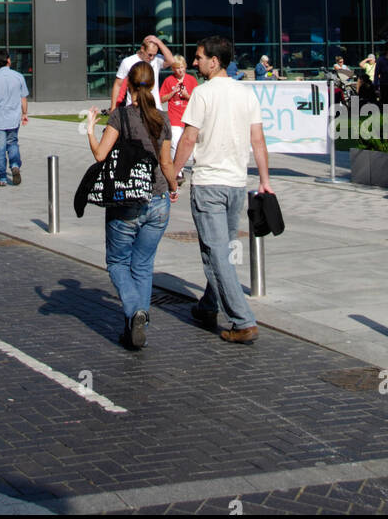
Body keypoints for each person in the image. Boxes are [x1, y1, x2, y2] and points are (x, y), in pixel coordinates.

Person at [174, 36, 274, 345]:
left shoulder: (202, 94)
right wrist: (264, 179)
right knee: (223, 250)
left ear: (214, 62)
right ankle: (208, 305)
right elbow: (258, 140)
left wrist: (172, 172)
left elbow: (189, 139)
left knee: (216, 255)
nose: (194, 62)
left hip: (208, 183)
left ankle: (242, 321)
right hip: (235, 185)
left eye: (199, 57)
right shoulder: (246, 94)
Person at [86, 61, 177, 350]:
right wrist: (174, 187)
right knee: (143, 265)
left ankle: (135, 310)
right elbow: (166, 163)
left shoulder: (120, 117)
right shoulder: (162, 119)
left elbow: (101, 155)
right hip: (158, 200)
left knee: (116, 262)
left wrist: (90, 128)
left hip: (126, 201)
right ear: (152, 86)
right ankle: (138, 322)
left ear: (129, 88)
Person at [0, 49, 29, 187]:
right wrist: (24, 113)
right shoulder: (19, 77)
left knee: (0, 149)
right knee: (13, 143)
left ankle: (1, 178)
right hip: (14, 118)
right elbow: (23, 98)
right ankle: (14, 165)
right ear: (8, 60)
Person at [159, 54, 198, 184]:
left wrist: (187, 96)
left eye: (182, 68)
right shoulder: (169, 80)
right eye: (177, 68)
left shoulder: (192, 80)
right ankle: (177, 172)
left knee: (191, 145)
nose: (180, 71)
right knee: (175, 143)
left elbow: (198, 99)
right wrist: (172, 93)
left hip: (189, 117)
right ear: (173, 69)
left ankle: (193, 168)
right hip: (174, 117)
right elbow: (161, 98)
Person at [111, 34, 174, 110]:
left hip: (154, 107)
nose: (152, 58)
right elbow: (118, 85)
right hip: (134, 107)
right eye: (149, 54)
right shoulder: (127, 62)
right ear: (142, 49)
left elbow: (171, 61)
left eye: (154, 55)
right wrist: (113, 107)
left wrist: (159, 42)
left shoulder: (157, 60)